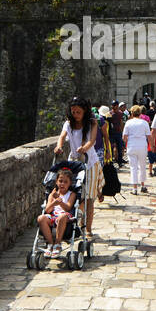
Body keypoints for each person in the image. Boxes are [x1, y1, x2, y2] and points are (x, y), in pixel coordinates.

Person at [54, 97, 99, 237]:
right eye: (73, 112)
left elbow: (92, 140)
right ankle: (74, 219)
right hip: (74, 161)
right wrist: (59, 146)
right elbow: (62, 136)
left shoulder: (92, 123)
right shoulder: (68, 124)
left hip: (89, 162)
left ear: (85, 111)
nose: (76, 115)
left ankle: (88, 227)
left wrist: (84, 148)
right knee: (74, 192)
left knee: (89, 197)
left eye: (78, 112)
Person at [37, 168, 77, 255]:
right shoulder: (52, 194)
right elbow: (47, 210)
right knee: (41, 218)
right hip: (53, 216)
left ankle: (58, 243)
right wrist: (54, 202)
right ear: (56, 182)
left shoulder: (71, 194)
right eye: (60, 181)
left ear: (70, 183)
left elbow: (68, 208)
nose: (62, 184)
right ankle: (51, 243)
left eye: (65, 182)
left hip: (65, 216)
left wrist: (60, 202)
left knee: (61, 217)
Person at [123, 104, 152, 194]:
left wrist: (125, 144)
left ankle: (134, 188)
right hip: (142, 146)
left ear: (132, 113)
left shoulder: (128, 123)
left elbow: (124, 136)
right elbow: (149, 136)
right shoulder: (144, 123)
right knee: (142, 166)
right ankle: (143, 185)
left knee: (133, 167)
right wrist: (152, 145)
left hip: (132, 145)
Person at [109, 101, 126, 166]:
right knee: (111, 147)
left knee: (119, 147)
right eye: (112, 105)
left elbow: (121, 122)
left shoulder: (120, 113)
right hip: (111, 133)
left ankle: (120, 161)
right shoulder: (110, 113)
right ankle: (111, 161)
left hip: (118, 132)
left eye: (114, 105)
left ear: (117, 105)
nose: (113, 106)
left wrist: (122, 131)